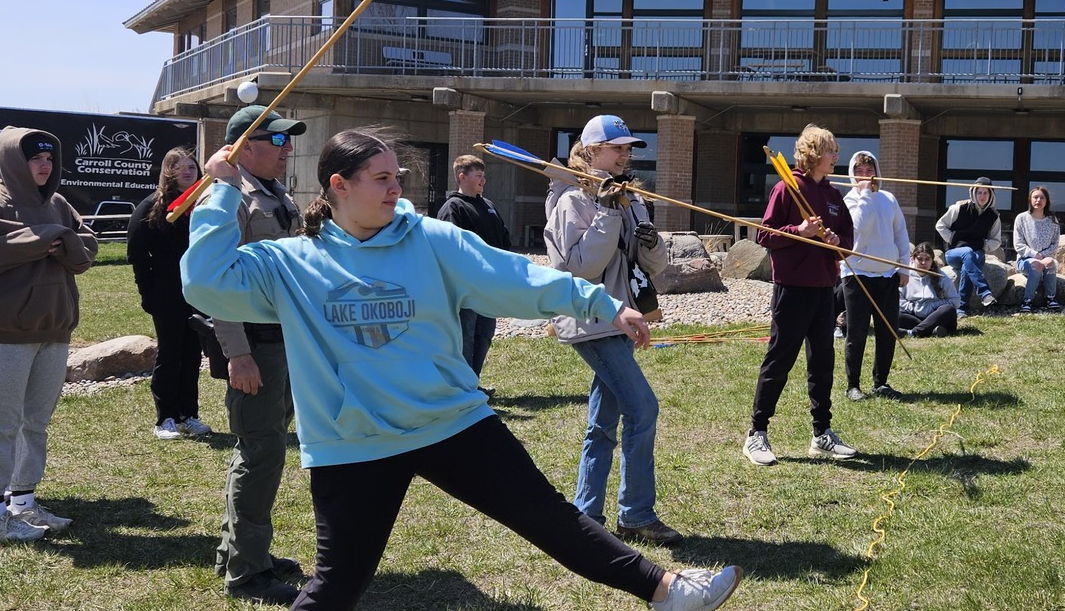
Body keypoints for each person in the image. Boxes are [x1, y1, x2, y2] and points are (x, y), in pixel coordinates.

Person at [182, 126, 741, 611]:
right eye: (380, 179)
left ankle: (668, 591)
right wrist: (219, 191)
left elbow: (512, 278)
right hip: (354, 444)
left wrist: (598, 303)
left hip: (451, 422)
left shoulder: (428, 238)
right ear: (339, 186)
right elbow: (207, 283)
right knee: (337, 584)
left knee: (550, 517)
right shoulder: (291, 262)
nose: (396, 187)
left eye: (396, 175)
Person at [544, 115, 679, 544]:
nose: (626, 154)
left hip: (622, 316)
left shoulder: (629, 198)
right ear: (591, 151)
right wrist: (605, 214)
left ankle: (585, 518)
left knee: (603, 423)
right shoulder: (572, 201)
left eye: (628, 148)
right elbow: (580, 269)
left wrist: (651, 241)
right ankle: (636, 515)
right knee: (642, 409)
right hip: (592, 321)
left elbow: (653, 267)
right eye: (617, 147)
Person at [207, 105, 308, 604]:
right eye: (277, 139)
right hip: (255, 346)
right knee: (261, 453)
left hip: (283, 342)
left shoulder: (274, 192)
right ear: (244, 146)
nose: (287, 148)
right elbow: (216, 283)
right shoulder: (229, 198)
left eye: (288, 139)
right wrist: (237, 354)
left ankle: (239, 551)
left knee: (262, 449)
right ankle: (247, 573)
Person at [0, 126, 97, 541]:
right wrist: (51, 238)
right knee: (3, 424)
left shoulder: (58, 203)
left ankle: (22, 502)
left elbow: (87, 249)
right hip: (9, 333)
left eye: (48, 158)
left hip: (56, 330)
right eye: (34, 158)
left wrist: (66, 240)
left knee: (35, 423)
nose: (44, 165)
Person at [742, 124, 857, 467]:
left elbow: (847, 244)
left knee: (823, 363)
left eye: (836, 150)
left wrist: (838, 245)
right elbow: (764, 235)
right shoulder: (786, 188)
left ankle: (822, 433)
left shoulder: (835, 197)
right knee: (779, 360)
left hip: (825, 289)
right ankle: (756, 433)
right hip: (792, 289)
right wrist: (800, 231)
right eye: (831, 151)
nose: (836, 156)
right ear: (813, 155)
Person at [129, 146, 213, 441]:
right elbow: (137, 253)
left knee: (193, 353)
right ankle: (165, 418)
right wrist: (147, 293)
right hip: (166, 291)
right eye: (181, 166)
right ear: (168, 171)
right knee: (171, 352)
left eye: (193, 165)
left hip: (198, 291)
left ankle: (188, 415)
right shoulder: (154, 205)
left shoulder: (205, 203)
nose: (189, 170)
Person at [434, 154, 511, 397]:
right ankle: (461, 388)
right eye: (478, 176)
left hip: (489, 285)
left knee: (484, 334)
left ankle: (472, 383)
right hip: (465, 288)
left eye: (484, 176)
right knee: (464, 337)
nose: (483, 180)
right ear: (462, 176)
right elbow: (449, 249)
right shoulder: (453, 208)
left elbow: (503, 238)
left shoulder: (487, 205)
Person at [839, 151, 910, 402]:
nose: (865, 175)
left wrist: (903, 267)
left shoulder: (889, 198)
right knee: (856, 332)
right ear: (852, 174)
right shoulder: (848, 201)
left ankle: (881, 383)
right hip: (857, 274)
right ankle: (853, 385)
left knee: (887, 331)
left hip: (887, 274)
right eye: (859, 171)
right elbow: (859, 229)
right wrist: (865, 195)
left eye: (869, 170)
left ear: (876, 171)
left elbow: (900, 232)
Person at [934, 177, 1002, 317]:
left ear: (991, 195)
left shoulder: (994, 216)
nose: (982, 196)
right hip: (954, 253)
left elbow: (996, 240)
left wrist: (984, 244)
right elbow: (940, 225)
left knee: (968, 265)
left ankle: (961, 308)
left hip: (977, 253)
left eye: (985, 193)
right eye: (979, 193)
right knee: (967, 252)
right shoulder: (959, 208)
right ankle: (984, 293)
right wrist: (952, 238)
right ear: (973, 193)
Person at [1014, 185, 1063, 313]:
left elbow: (1055, 244)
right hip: (1025, 260)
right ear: (1030, 199)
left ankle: (1051, 298)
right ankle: (1027, 300)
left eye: (1042, 198)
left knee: (1051, 263)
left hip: (1047, 258)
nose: (1038, 200)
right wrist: (1036, 256)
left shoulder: (1052, 220)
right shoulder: (1021, 218)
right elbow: (1018, 244)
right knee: (1036, 265)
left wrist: (1045, 256)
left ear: (1046, 201)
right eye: (1035, 197)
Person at [898, 242, 959, 338]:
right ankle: (930, 329)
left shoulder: (941, 277)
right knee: (896, 314)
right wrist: (914, 308)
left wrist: (931, 307)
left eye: (927, 259)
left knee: (948, 310)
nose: (923, 263)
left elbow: (955, 301)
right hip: (913, 315)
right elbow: (898, 300)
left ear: (932, 261)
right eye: (920, 259)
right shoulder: (904, 274)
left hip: (936, 315)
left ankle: (913, 332)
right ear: (913, 259)